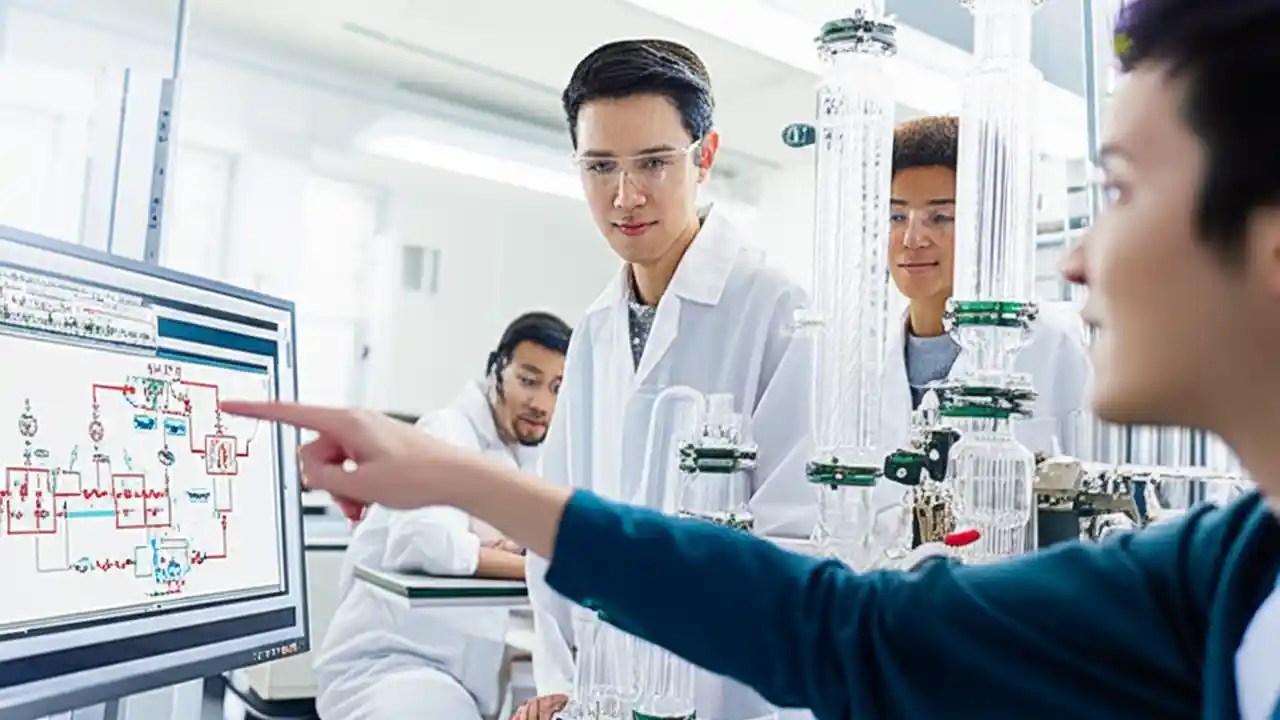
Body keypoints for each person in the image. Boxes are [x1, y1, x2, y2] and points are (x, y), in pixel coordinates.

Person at [223, 0, 1280, 717]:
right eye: (600, 168)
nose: (1078, 259)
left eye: (1123, 192)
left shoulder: (796, 316)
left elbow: (798, 577)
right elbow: (847, 628)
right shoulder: (1216, 574)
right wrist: (464, 489)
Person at [515, 38, 815, 720]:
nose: (626, 195)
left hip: (728, 694)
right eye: (600, 167)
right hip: (602, 694)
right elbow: (555, 528)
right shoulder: (593, 332)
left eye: (653, 162)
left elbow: (793, 535)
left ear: (704, 156)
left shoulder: (776, 308)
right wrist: (561, 679)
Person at [309, 311, 570, 720]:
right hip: (391, 672)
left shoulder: (521, 462)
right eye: (529, 380)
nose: (542, 404)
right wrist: (536, 566)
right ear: (495, 370)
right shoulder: (446, 433)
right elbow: (422, 541)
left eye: (558, 387)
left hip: (456, 685)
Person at [878, 116, 1092, 541]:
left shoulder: (1053, 343)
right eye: (896, 216)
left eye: (941, 217)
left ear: (988, 228)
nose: (911, 239)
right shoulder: (863, 362)